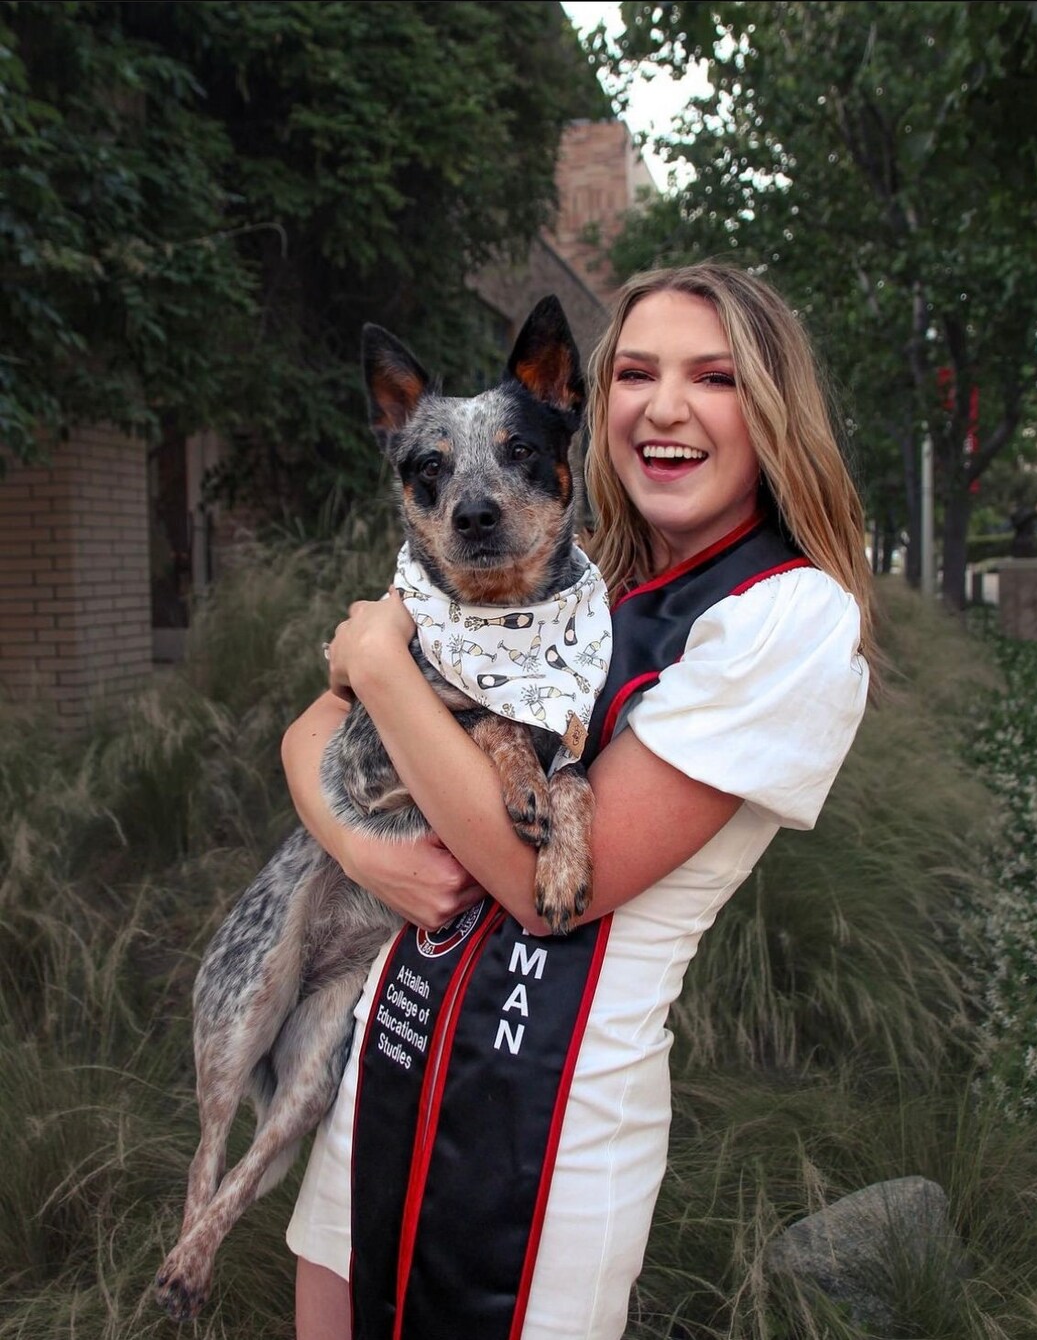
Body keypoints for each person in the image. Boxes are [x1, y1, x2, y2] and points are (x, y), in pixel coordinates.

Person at [280, 263, 876, 1340]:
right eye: (635, 372)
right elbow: (311, 732)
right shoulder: (575, 580)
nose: (663, 405)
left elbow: (541, 881)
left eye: (715, 376)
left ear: (774, 408)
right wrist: (362, 847)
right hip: (394, 1062)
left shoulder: (784, 621)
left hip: (544, 1140)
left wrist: (379, 664)